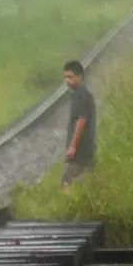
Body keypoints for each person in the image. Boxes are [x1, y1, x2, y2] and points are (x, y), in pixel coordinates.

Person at [61, 60, 96, 190]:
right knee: (78, 182)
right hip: (84, 150)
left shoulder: (81, 94)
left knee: (67, 181)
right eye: (65, 77)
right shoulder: (79, 94)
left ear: (79, 76)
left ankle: (69, 207)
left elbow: (81, 120)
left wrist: (73, 146)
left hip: (81, 151)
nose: (67, 81)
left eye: (70, 77)